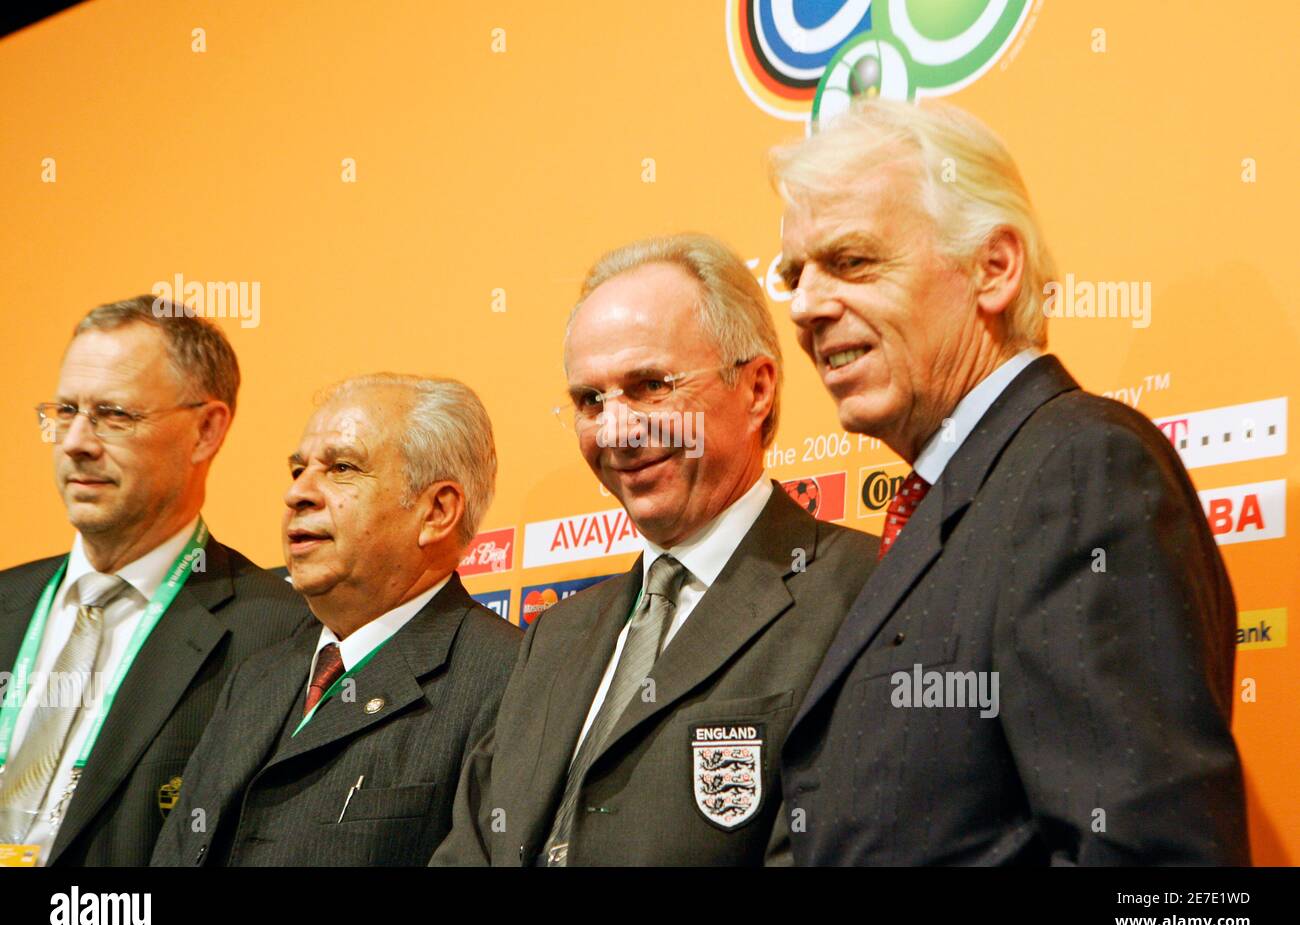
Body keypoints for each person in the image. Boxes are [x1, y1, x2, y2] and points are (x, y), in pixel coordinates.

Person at [771, 97, 1249, 865]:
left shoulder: (1080, 470)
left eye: (851, 261)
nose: (805, 306)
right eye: (794, 274)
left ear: (994, 268)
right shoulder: (958, 498)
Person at [432, 234, 879, 867]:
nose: (616, 430)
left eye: (650, 386)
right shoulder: (553, 638)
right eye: (590, 401)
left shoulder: (863, 592)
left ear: (756, 390)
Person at [151, 374, 518, 866]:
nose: (297, 493)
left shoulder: (510, 680)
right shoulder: (257, 678)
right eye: (298, 469)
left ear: (436, 511)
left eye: (342, 468)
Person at [0, 295, 311, 866]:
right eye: (65, 411)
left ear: (205, 431)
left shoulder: (279, 635)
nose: (76, 442)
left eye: (114, 414)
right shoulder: (5, 603)